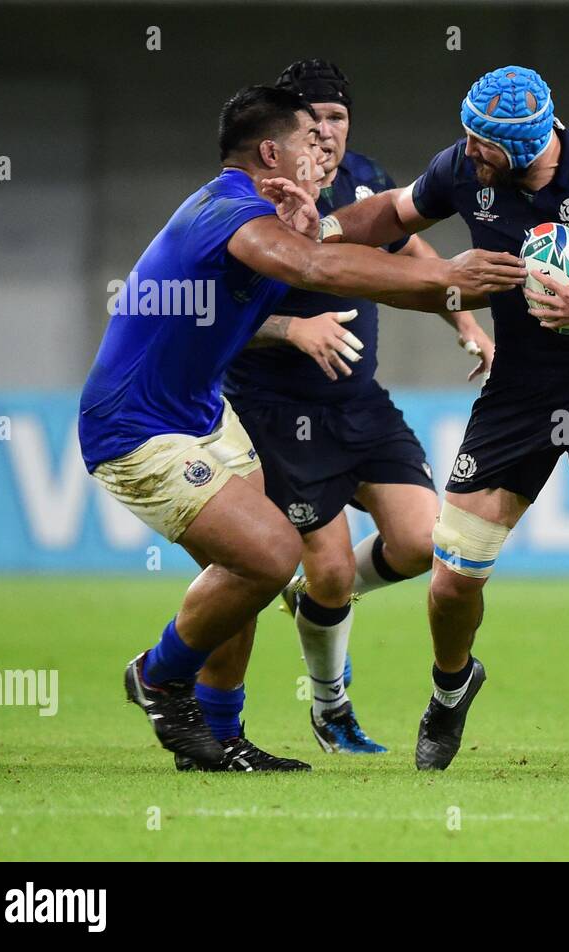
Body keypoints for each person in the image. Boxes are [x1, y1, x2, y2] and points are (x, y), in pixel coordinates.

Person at [79, 85, 523, 771]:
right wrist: (447, 280)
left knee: (244, 576)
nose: (320, 150)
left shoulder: (260, 213)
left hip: (201, 410)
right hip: (136, 424)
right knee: (267, 556)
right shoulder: (229, 210)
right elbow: (318, 269)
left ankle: (219, 737)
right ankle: (158, 677)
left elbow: (328, 263)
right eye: (305, 139)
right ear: (269, 151)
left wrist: (320, 232)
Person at [266, 65, 569, 777]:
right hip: (515, 396)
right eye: (466, 133)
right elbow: (397, 214)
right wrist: (326, 227)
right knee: (456, 576)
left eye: (483, 142)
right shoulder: (464, 167)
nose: (468, 148)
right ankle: (451, 688)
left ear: (524, 149)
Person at [209, 59, 495, 760]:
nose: (327, 134)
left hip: (359, 403)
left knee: (427, 541)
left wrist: (464, 320)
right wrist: (292, 329)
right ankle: (330, 706)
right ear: (282, 134)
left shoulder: (363, 178)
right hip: (278, 411)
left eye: (336, 118)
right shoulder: (251, 200)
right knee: (333, 572)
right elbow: (211, 309)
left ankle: (308, 596)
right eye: (312, 121)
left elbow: (407, 243)